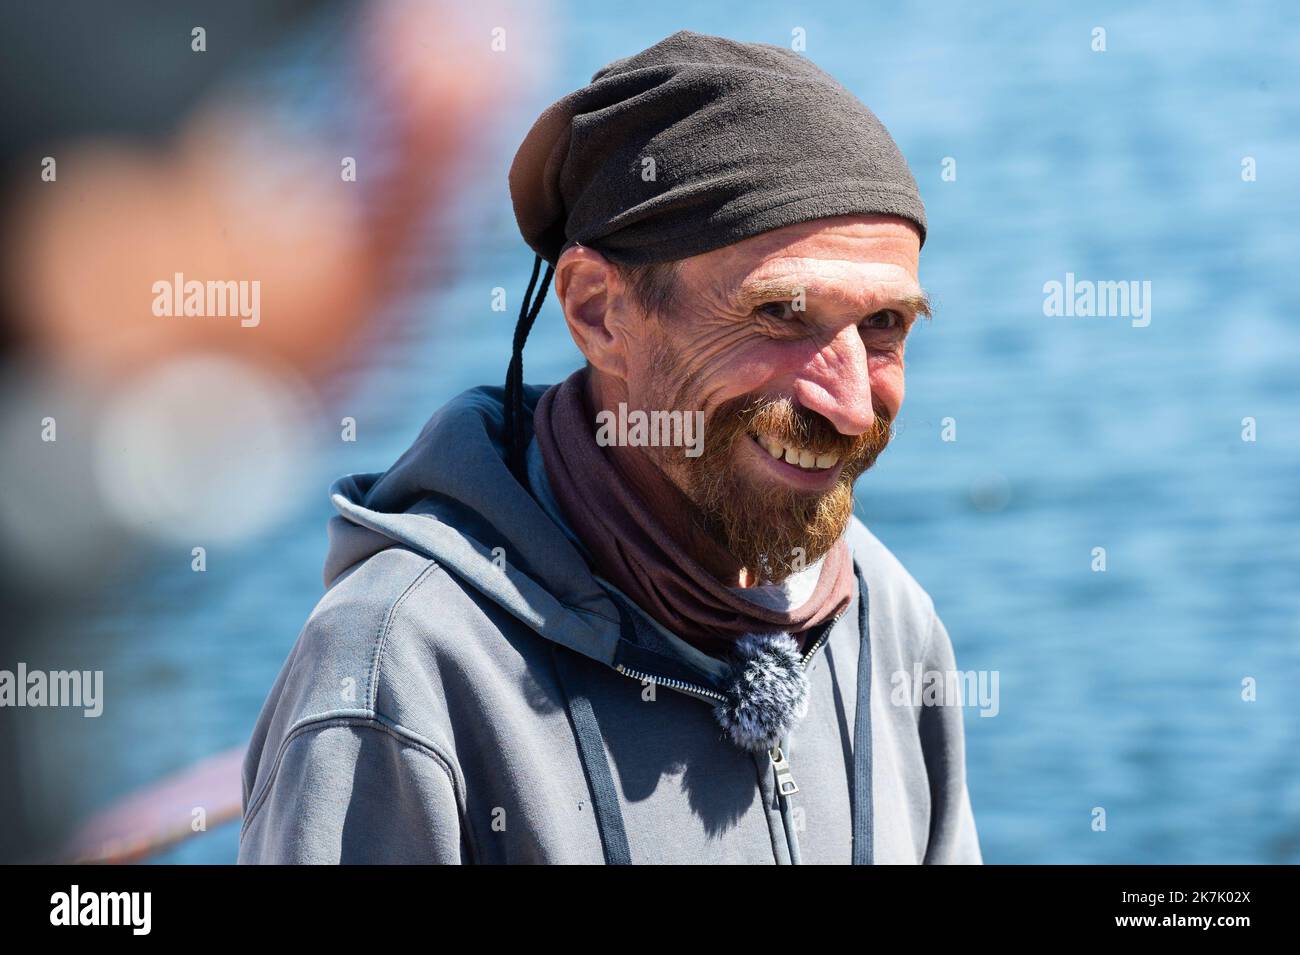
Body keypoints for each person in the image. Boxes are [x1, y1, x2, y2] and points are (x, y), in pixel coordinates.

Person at [239, 30, 981, 864]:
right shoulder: (399, 672)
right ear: (598, 311)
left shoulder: (888, 621)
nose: (848, 405)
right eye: (779, 315)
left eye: (883, 325)